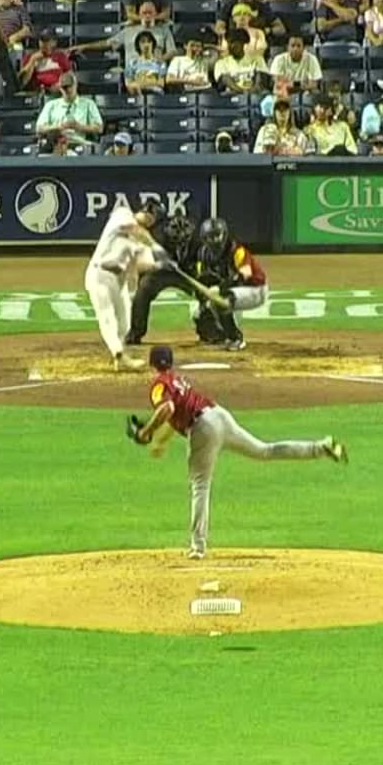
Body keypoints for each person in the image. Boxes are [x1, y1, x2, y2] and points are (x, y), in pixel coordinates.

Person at [131, 344, 347, 561]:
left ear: (152, 364)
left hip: (202, 428)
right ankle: (321, 447)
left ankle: (198, 547)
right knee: (264, 451)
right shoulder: (177, 379)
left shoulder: (159, 384)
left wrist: (146, 432)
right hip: (219, 416)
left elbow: (167, 408)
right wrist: (160, 442)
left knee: (200, 485)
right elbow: (174, 413)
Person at [85, 203, 165, 370]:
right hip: (99, 274)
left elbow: (143, 264)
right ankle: (119, 354)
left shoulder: (142, 242)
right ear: (143, 210)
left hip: (118, 281)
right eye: (149, 216)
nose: (150, 221)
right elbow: (133, 229)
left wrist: (160, 265)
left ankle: (117, 354)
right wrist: (155, 246)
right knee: (107, 317)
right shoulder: (123, 214)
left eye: (153, 220)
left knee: (125, 324)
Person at [125, 205, 202, 347]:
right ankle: (135, 332)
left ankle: (210, 330)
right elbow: (140, 265)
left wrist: (196, 274)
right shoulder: (157, 237)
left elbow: (203, 265)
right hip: (161, 271)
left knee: (205, 291)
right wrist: (159, 265)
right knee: (144, 289)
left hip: (186, 271)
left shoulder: (197, 241)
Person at [190, 216, 268, 350]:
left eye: (217, 236)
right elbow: (202, 279)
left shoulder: (236, 250)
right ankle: (218, 337)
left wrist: (220, 288)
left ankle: (236, 339)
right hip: (232, 291)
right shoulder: (203, 254)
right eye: (210, 237)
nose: (214, 240)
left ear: (224, 235)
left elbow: (245, 274)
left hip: (254, 289)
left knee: (221, 300)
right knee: (200, 313)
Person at [34, 73, 103, 150]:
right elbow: (39, 128)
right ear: (60, 88)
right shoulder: (51, 105)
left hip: (79, 144)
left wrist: (79, 127)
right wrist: (58, 127)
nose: (68, 90)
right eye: (64, 87)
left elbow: (99, 128)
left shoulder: (88, 104)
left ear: (75, 85)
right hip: (56, 145)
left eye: (70, 86)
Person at [18, 28, 72, 92]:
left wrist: (60, 85)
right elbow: (23, 82)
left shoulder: (60, 56)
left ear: (54, 42)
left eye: (48, 40)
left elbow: (70, 77)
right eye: (42, 40)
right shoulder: (30, 57)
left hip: (58, 92)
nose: (45, 43)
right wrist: (32, 61)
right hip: (37, 92)